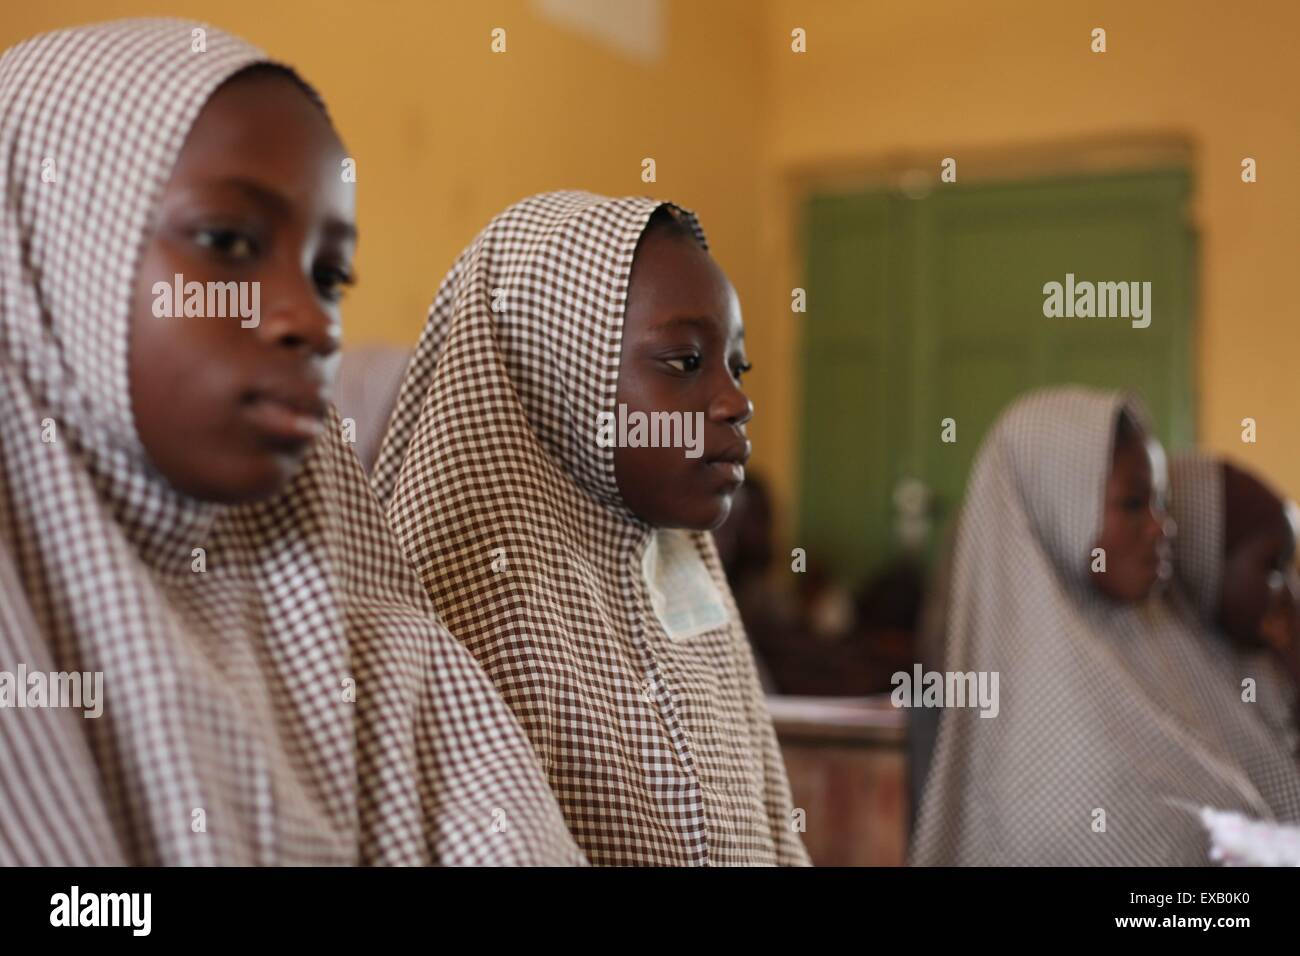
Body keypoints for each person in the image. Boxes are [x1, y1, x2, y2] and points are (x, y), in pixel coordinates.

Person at [0, 19, 583, 866]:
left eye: (329, 277)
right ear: (48, 250)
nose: (312, 323)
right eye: (230, 244)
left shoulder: (377, 651)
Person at [373, 192, 810, 865]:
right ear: (557, 374)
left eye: (737, 367)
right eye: (686, 361)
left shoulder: (693, 602)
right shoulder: (445, 633)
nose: (736, 400)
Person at [911, 387, 1276, 865]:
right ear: (1058, 509)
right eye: (1132, 504)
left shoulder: (1148, 639)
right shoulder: (1036, 725)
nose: (1160, 526)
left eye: (1160, 502)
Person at [1168, 454, 1300, 760]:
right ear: (1205, 560)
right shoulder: (1184, 697)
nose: (1291, 590)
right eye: (1273, 567)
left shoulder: (1267, 667)